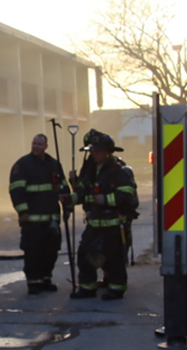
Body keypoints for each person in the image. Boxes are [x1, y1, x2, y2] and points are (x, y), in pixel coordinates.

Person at [64, 129, 138, 300]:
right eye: (92, 151)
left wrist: (105, 199)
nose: (94, 154)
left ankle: (116, 288)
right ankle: (87, 288)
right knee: (84, 255)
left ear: (107, 152)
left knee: (114, 258)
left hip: (113, 223)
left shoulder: (118, 170)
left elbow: (126, 195)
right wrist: (70, 199)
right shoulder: (89, 170)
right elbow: (82, 193)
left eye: (97, 151)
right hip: (94, 222)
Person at [9, 134, 66, 294]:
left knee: (51, 251)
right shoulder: (23, 165)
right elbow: (16, 190)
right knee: (33, 252)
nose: (36, 146)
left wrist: (66, 203)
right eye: (34, 143)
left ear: (46, 146)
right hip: (31, 221)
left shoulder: (54, 165)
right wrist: (23, 211)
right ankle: (33, 282)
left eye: (40, 144)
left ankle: (45, 279)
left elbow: (63, 186)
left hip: (51, 219)